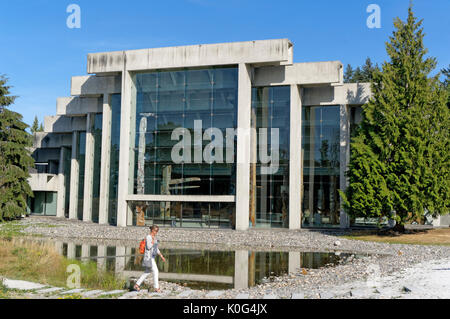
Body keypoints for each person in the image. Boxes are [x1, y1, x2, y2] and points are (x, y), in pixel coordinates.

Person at [134, 225, 166, 293]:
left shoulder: (154, 238)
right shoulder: (148, 237)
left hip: (152, 257)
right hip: (149, 257)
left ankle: (137, 285)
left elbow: (156, 248)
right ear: (152, 230)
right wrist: (153, 241)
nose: (156, 232)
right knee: (156, 271)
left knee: (147, 272)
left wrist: (161, 256)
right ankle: (156, 288)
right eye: (155, 231)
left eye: (157, 231)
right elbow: (148, 247)